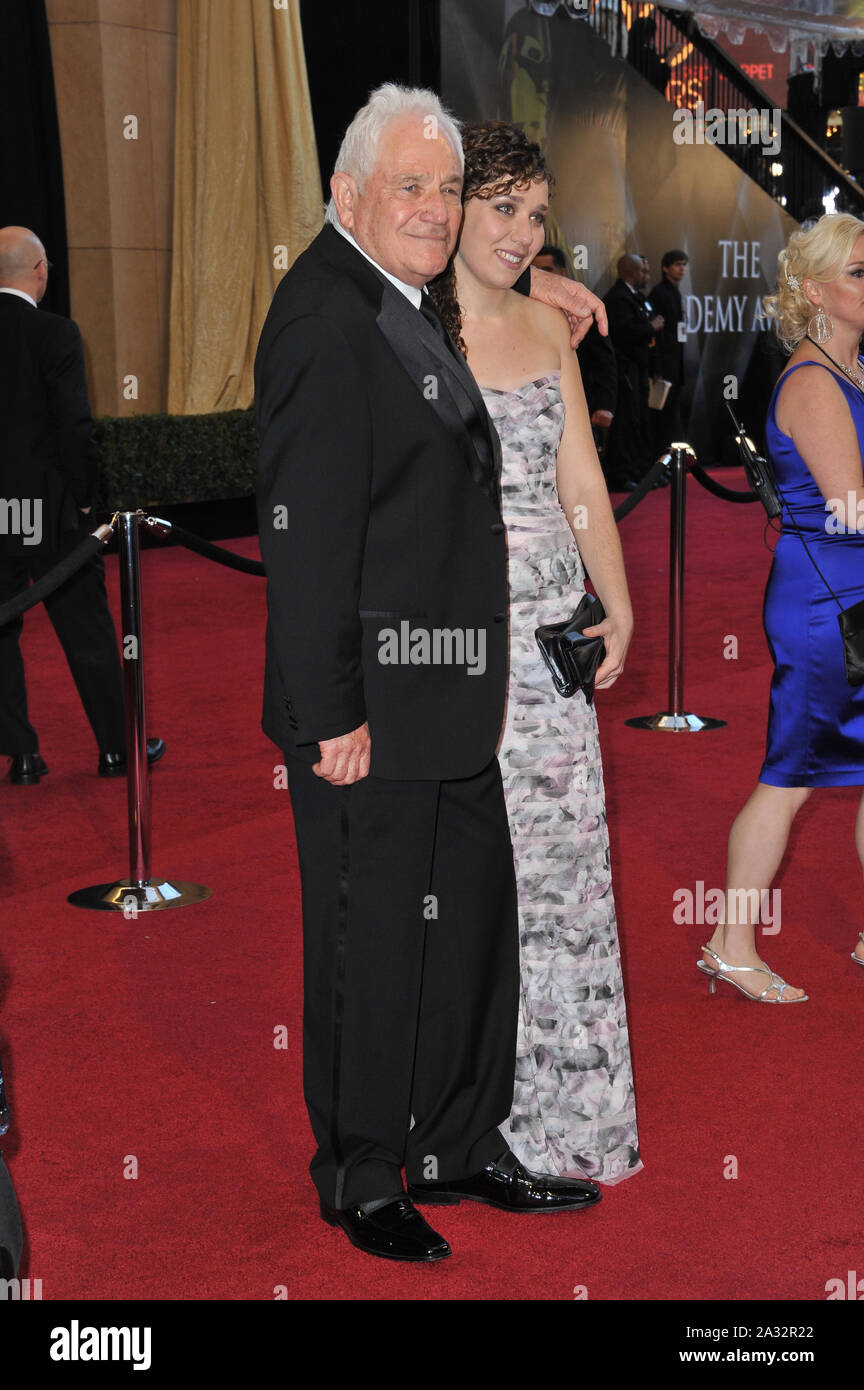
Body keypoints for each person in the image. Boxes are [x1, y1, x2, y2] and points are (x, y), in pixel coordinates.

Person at [254, 84, 610, 1265]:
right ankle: (361, 1174)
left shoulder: (401, 294)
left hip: (456, 697)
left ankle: (459, 1142)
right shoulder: (322, 318)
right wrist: (330, 713)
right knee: (370, 943)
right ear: (347, 193)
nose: (435, 206)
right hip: (372, 710)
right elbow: (302, 539)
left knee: (468, 929)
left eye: (448, 188)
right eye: (411, 185)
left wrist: (549, 280)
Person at [430, 121, 640, 1184]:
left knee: (563, 882)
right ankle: (470, 1119)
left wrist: (620, 600)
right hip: (454, 649)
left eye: (535, 212)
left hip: (552, 644)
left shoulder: (550, 327)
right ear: (454, 206)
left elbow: (584, 484)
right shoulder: (409, 332)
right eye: (500, 206)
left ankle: (568, 1121)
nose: (520, 232)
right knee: (471, 884)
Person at [701, 213, 864, 1002]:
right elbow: (852, 506)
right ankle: (730, 942)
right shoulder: (812, 380)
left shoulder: (854, 369)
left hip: (851, 593)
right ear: (814, 291)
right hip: (829, 605)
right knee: (791, 776)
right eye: (860, 274)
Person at [0, 226, 164, 783]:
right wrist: (88, 501)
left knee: (0, 629)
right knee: (87, 627)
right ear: (40, 270)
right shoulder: (56, 334)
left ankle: (21, 756)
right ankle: (118, 750)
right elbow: (74, 429)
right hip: (51, 512)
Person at [534, 243, 618, 461]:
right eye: (535, 271)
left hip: (581, 410)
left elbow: (604, 362)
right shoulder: (521, 310)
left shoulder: (583, 311)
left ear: (562, 273)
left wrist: (604, 406)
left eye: (546, 270)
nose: (541, 277)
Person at [603, 253, 664, 490]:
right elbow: (622, 332)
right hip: (624, 371)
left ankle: (639, 471)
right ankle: (621, 475)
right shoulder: (618, 299)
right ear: (631, 272)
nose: (647, 276)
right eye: (644, 271)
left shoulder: (636, 297)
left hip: (639, 369)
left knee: (639, 423)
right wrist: (650, 326)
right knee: (625, 424)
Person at [648, 248, 688, 457]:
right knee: (660, 417)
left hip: (675, 363)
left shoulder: (675, 292)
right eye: (677, 264)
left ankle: (668, 459)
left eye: (684, 265)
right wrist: (659, 368)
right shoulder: (659, 293)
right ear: (665, 268)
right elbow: (657, 336)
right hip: (663, 365)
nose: (682, 269)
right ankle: (658, 460)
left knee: (671, 415)